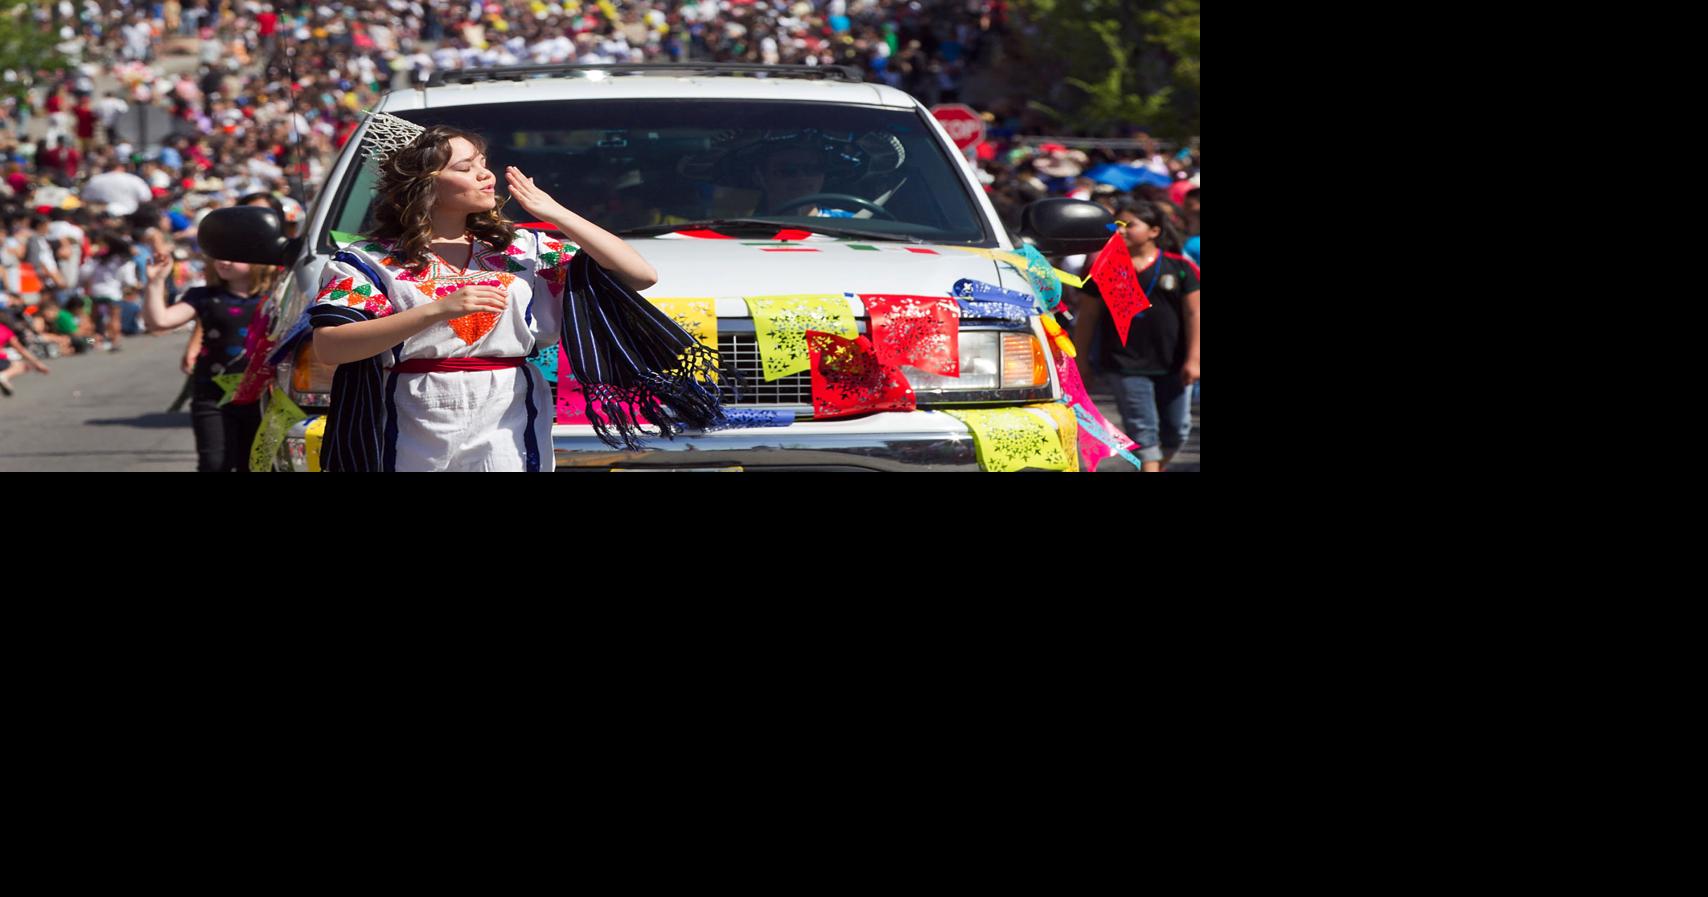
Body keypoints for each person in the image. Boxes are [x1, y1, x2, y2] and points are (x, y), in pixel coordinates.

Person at [304, 123, 668, 471]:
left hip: (508, 409)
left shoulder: (524, 249)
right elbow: (331, 346)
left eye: (483, 163)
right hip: (410, 410)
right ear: (424, 185)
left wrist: (554, 212)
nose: (486, 175)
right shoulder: (370, 260)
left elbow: (640, 275)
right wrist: (438, 310)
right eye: (466, 167)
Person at [1071, 200, 1200, 472]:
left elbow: (1194, 315)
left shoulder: (1179, 268)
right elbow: (1087, 319)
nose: (1121, 231)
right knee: (1143, 428)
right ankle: (1150, 465)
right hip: (1124, 363)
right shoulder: (1105, 269)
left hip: (1173, 364)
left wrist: (1194, 359)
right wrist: (1080, 361)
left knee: (1177, 432)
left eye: (1130, 225)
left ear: (1154, 231)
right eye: (1116, 226)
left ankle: (1153, 465)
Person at [141, 248, 272, 472]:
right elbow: (159, 322)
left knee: (255, 464)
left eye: (234, 254)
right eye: (219, 253)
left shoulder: (276, 297)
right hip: (211, 394)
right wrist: (155, 282)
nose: (224, 260)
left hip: (262, 396)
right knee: (214, 463)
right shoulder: (202, 295)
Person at [0, 316, 51, 397]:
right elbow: (21, 350)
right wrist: (37, 363)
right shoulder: (5, 330)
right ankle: (5, 375)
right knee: (21, 365)